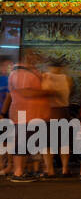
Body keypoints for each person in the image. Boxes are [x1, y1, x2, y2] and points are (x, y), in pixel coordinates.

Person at [7, 54, 50, 182]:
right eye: (33, 57)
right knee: (22, 142)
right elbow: (25, 91)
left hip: (30, 114)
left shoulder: (27, 72)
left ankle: (21, 171)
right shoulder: (21, 73)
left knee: (26, 143)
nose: (37, 60)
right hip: (24, 114)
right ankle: (18, 172)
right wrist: (48, 92)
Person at [44, 58, 73, 177]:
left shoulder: (45, 76)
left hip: (49, 112)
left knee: (47, 144)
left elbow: (44, 92)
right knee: (64, 143)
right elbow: (69, 93)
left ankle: (50, 170)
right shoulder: (67, 78)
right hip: (63, 111)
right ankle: (65, 169)